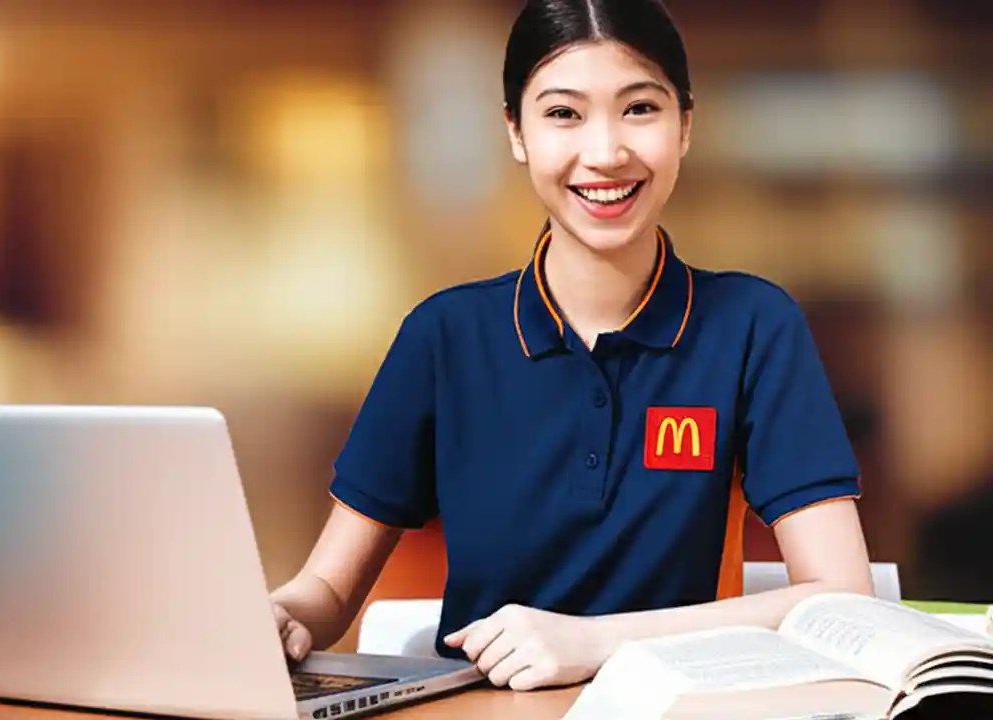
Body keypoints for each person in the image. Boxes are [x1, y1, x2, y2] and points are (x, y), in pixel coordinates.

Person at [270, 0, 873, 691]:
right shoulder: (444, 336)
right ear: (516, 131)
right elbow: (326, 590)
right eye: (563, 113)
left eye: (639, 109)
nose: (606, 152)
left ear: (685, 126)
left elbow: (841, 594)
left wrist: (594, 643)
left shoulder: (752, 325)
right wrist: (282, 615)